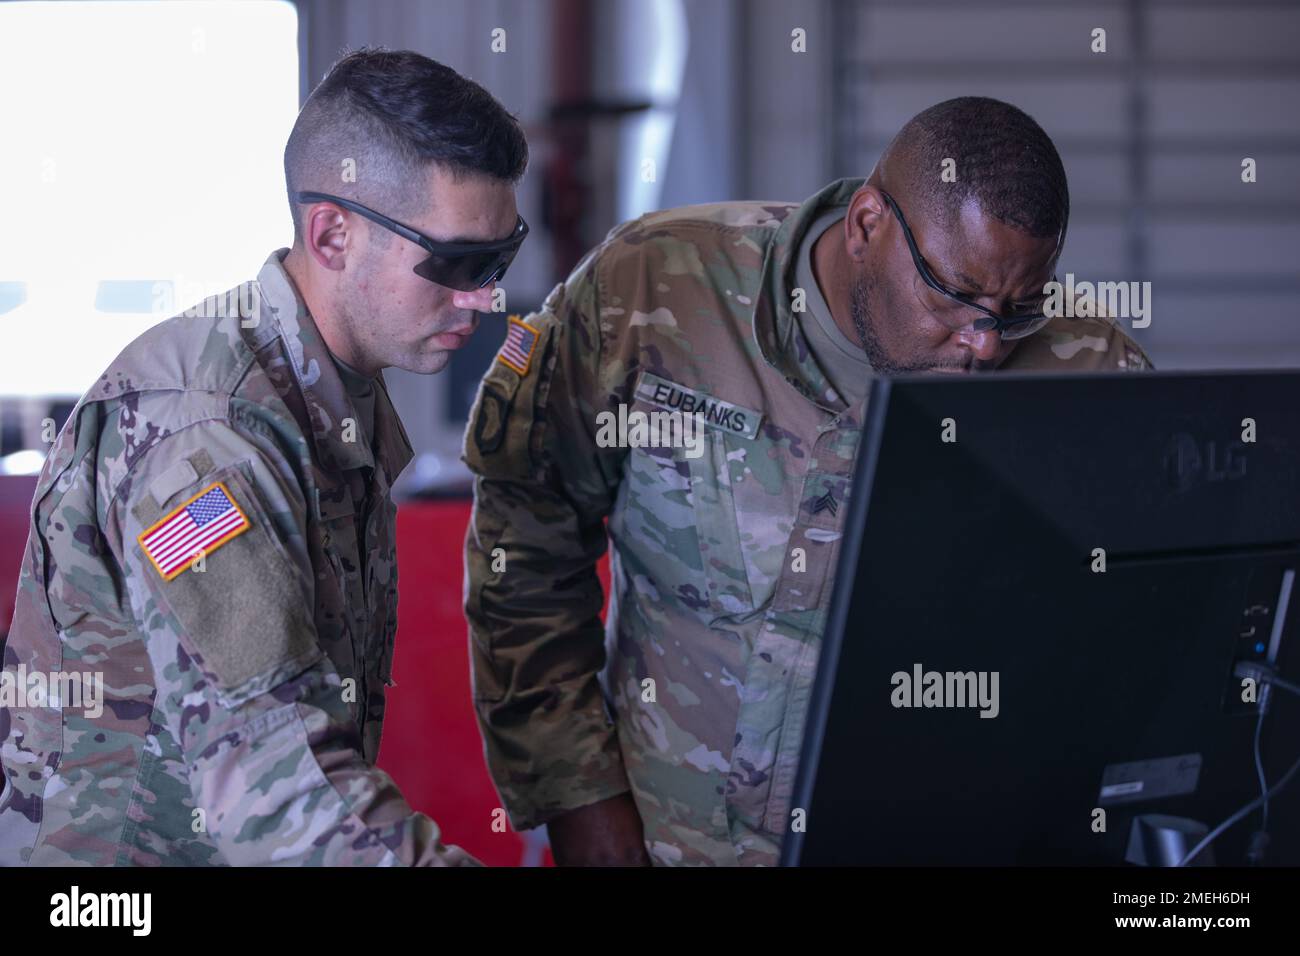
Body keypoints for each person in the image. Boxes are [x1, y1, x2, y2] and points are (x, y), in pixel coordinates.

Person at [463, 96, 1151, 866]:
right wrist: (579, 799)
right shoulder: (658, 288)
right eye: (954, 296)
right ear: (866, 225)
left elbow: (1144, 648)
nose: (985, 345)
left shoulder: (1090, 376)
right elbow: (523, 542)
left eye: (1017, 312)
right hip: (672, 846)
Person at [0, 48, 528, 866]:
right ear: (331, 235)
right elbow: (277, 790)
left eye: (500, 260)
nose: (481, 298)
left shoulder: (325, 393)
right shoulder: (205, 436)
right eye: (455, 263)